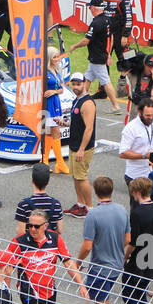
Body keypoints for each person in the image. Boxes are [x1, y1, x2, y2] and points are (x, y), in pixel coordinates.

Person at [76, 176, 129, 304]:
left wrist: (78, 261)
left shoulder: (93, 215)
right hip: (116, 265)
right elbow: (127, 239)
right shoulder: (122, 210)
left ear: (96, 192)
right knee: (106, 300)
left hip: (100, 266)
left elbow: (87, 246)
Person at [64, 72, 98, 217]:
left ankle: (90, 208)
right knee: (76, 176)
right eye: (74, 84)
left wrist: (82, 149)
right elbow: (78, 123)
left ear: (84, 83)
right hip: (74, 144)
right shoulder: (77, 100)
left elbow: (89, 128)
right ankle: (80, 204)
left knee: (81, 177)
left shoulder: (87, 103)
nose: (76, 87)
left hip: (82, 147)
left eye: (79, 84)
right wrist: (65, 123)